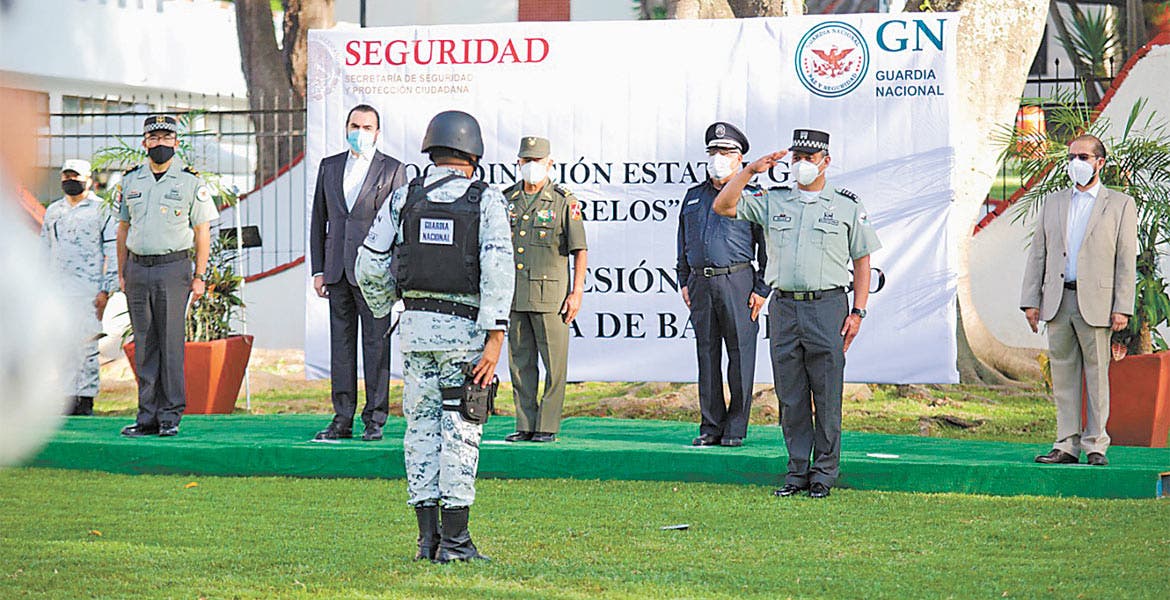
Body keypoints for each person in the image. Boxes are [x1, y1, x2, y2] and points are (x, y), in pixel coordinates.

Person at [356, 110, 513, 563]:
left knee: (419, 431)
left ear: (431, 149)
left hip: (416, 331)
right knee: (461, 430)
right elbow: (499, 270)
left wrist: (387, 306)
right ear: (473, 154)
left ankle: (427, 541)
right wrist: (495, 338)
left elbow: (368, 263)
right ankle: (457, 543)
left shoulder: (405, 196)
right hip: (465, 336)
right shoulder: (486, 199)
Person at [713, 129, 881, 499]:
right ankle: (797, 471)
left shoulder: (846, 205)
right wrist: (749, 171)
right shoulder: (774, 202)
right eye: (797, 158)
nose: (802, 165)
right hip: (785, 307)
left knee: (826, 393)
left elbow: (863, 261)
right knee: (790, 396)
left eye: (810, 158)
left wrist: (859, 311)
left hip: (828, 306)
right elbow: (723, 206)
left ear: (826, 161)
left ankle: (824, 473)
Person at [1021, 134, 1136, 467]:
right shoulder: (1055, 202)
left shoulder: (1119, 204)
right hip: (1058, 300)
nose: (1076, 163)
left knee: (1097, 374)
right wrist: (1031, 300)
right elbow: (1038, 253)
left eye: (1083, 157)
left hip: (1098, 303)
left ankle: (1096, 444)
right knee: (1064, 375)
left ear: (1100, 163)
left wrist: (1122, 306)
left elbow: (1126, 259)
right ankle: (1066, 444)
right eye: (1072, 156)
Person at [116, 115, 219, 437]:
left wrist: (200, 275)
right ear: (144, 142)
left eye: (166, 138)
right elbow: (123, 229)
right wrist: (122, 272)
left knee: (171, 342)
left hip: (173, 269)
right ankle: (146, 416)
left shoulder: (190, 182)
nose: (160, 144)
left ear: (176, 142)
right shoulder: (131, 181)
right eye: (154, 138)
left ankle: (170, 416)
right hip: (138, 269)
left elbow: (202, 232)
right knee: (145, 343)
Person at [309, 104, 406, 442]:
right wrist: (319, 270)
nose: (360, 132)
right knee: (342, 346)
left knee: (376, 347)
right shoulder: (330, 166)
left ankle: (375, 419)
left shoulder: (393, 169)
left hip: (376, 275)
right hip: (336, 272)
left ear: (377, 132)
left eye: (367, 127)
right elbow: (319, 220)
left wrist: (395, 276)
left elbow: (400, 228)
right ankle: (342, 418)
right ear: (345, 127)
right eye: (355, 125)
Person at [676, 122, 768, 447]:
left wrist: (761, 289)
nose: (718, 157)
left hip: (738, 281)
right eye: (713, 152)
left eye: (725, 152)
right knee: (707, 354)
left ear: (740, 157)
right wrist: (683, 280)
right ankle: (711, 426)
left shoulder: (753, 196)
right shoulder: (693, 197)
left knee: (740, 355)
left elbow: (767, 247)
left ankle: (736, 428)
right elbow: (683, 242)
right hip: (701, 283)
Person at [501, 136, 588, 443]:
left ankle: (547, 426)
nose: (531, 167)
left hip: (552, 297)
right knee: (519, 363)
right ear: (518, 163)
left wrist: (576, 292)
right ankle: (525, 423)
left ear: (550, 163)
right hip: (515, 295)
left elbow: (580, 250)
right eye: (526, 161)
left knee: (554, 364)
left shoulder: (564, 200)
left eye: (538, 161)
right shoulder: (506, 199)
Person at [41, 159, 118, 415]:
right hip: (57, 290)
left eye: (76, 176)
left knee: (86, 346)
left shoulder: (101, 210)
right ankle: (65, 400)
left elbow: (112, 249)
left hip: (89, 289)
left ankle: (85, 400)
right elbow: (45, 249)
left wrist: (107, 288)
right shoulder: (53, 211)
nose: (70, 181)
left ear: (89, 179)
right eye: (66, 176)